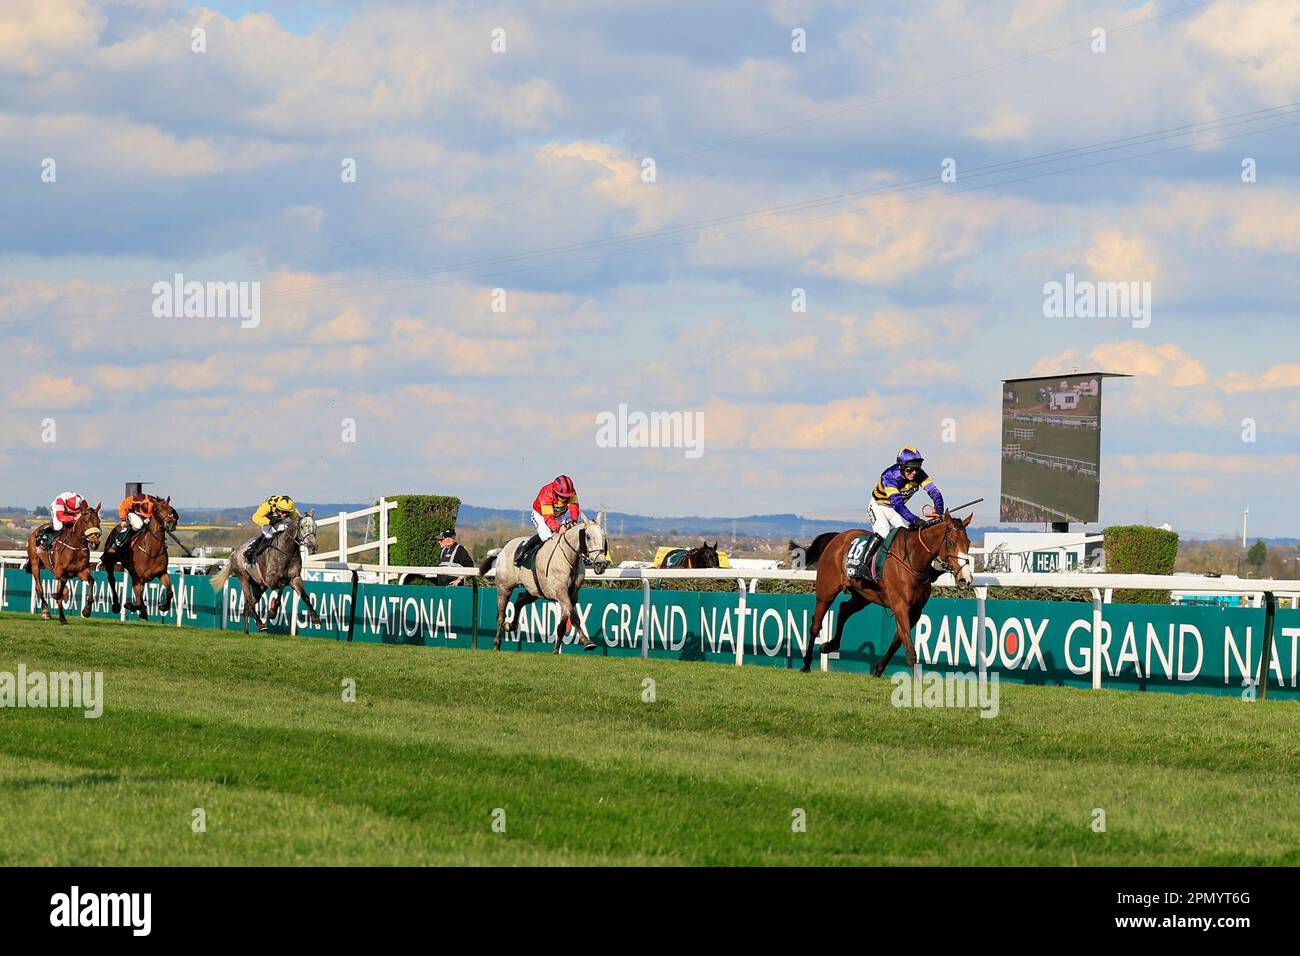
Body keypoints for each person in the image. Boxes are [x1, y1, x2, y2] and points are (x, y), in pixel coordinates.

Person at [855, 447, 946, 577]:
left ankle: (928, 570)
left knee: (906, 537)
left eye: (917, 468)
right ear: (901, 467)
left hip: (893, 509)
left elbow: (935, 492)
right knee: (883, 531)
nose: (914, 472)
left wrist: (939, 510)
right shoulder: (889, 476)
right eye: (910, 469)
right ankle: (862, 565)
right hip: (878, 506)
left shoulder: (920, 474)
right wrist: (916, 520)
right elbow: (898, 505)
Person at [515, 475, 579, 567]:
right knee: (547, 536)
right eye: (562, 497)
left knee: (568, 535)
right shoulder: (546, 493)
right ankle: (524, 549)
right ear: (555, 492)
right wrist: (558, 528)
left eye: (567, 497)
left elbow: (574, 507)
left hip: (559, 515)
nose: (565, 499)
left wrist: (574, 520)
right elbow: (548, 518)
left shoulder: (571, 492)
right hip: (541, 515)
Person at [246, 494, 298, 562]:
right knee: (269, 535)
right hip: (266, 518)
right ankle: (253, 550)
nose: (285, 514)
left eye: (287, 512)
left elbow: (294, 520)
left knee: (285, 534)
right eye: (283, 512)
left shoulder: (291, 508)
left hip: (278, 519)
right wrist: (269, 522)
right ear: (277, 508)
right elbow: (255, 517)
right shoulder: (267, 506)